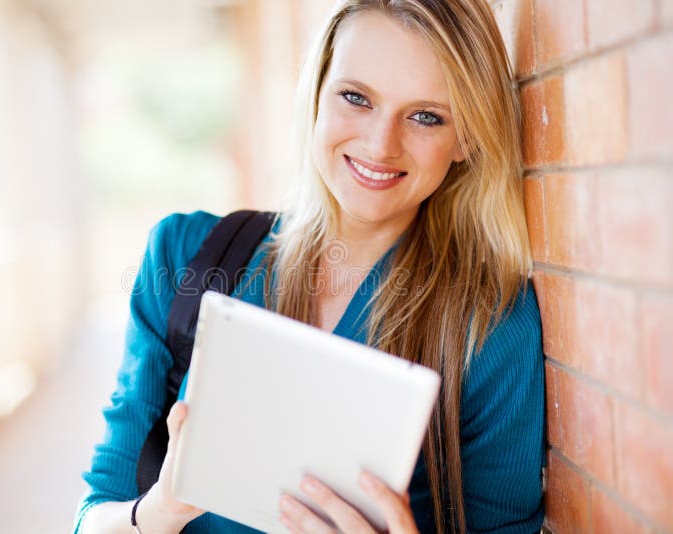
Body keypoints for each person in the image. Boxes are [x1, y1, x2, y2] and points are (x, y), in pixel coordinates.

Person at [73, 0, 545, 532]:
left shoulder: (490, 323)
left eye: (425, 116)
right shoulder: (185, 256)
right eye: (355, 97)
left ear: (467, 139)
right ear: (316, 95)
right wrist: (162, 509)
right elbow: (92, 516)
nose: (379, 144)